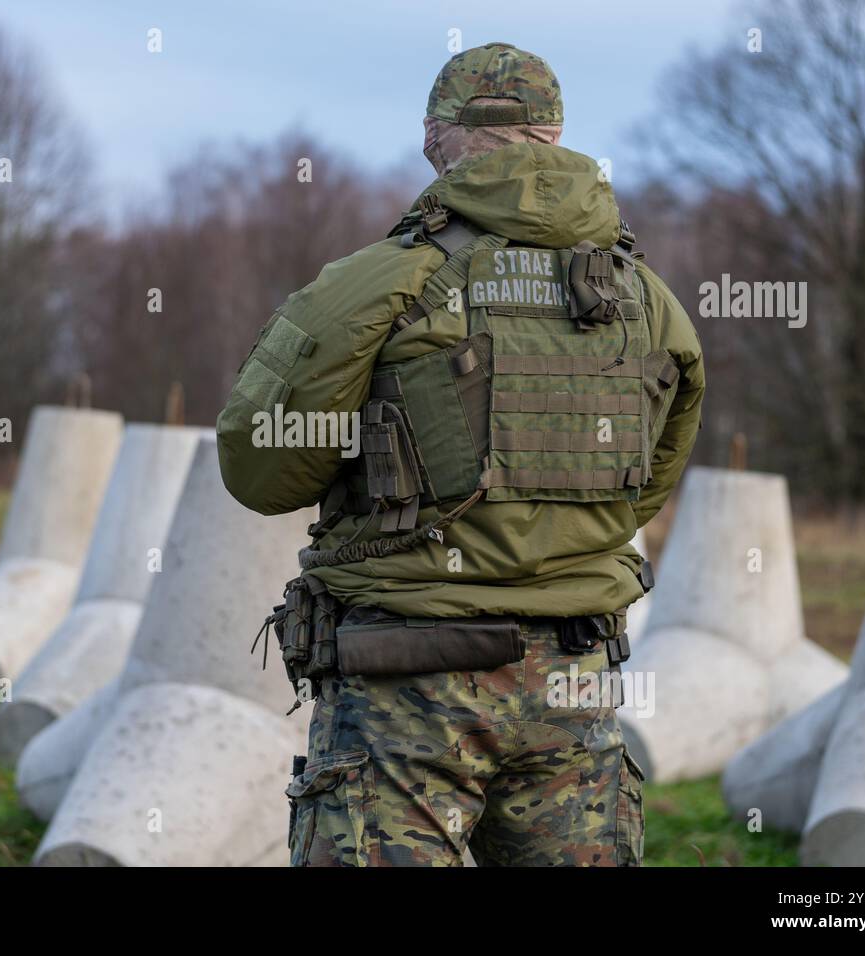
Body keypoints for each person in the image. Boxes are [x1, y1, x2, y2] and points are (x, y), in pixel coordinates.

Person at [217, 42, 704, 866]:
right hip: (574, 683)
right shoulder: (648, 301)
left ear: (439, 141)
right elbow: (643, 490)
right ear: (554, 136)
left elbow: (259, 469)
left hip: (404, 682)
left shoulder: (377, 282)